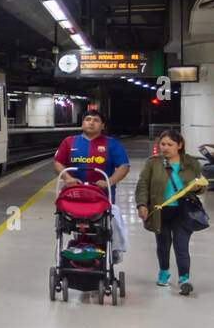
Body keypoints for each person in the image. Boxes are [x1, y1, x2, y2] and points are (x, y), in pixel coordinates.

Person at [135, 129, 206, 295]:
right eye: (163, 144)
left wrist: (198, 188)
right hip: (160, 211)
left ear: (179, 145)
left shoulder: (191, 163)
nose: (165, 148)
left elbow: (202, 185)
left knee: (182, 246)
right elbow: (143, 184)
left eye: (170, 145)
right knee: (164, 244)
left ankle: (184, 278)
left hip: (183, 211)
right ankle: (164, 272)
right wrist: (142, 205)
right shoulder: (153, 163)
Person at [53, 110, 130, 260]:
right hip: (74, 199)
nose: (91, 122)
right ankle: (80, 255)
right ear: (82, 124)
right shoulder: (69, 142)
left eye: (95, 120)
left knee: (101, 230)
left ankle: (102, 258)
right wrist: (68, 178)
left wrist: (109, 182)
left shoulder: (112, 144)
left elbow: (124, 166)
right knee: (79, 228)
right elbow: (58, 162)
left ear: (102, 126)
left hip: (102, 198)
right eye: (88, 119)